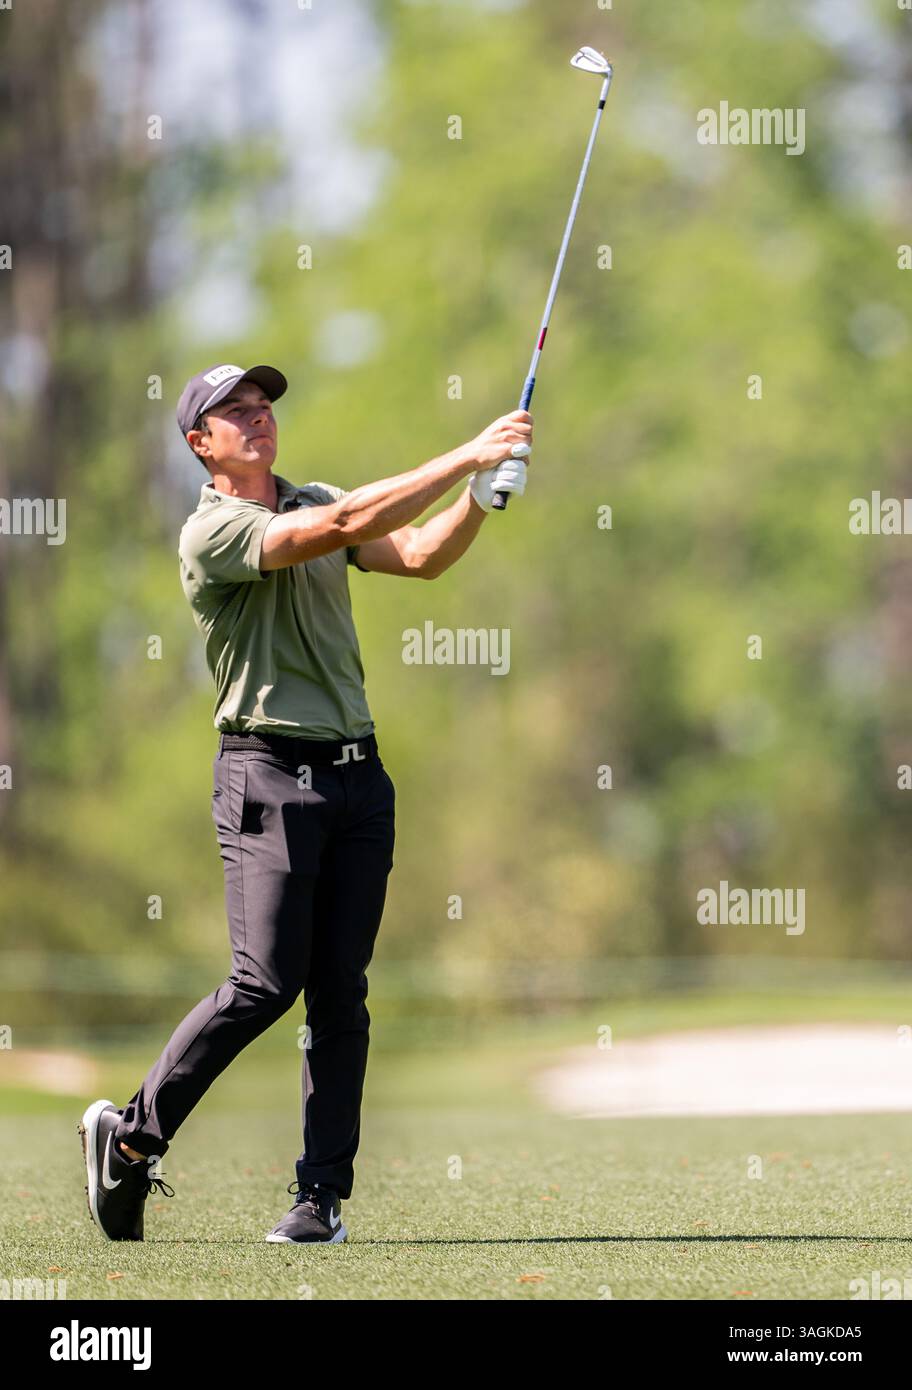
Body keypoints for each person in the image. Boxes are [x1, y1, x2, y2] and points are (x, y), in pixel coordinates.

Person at [78, 361, 532, 1244]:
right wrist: (468, 454)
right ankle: (130, 1142)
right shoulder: (210, 533)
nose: (258, 420)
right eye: (234, 413)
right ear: (198, 444)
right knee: (263, 983)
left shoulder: (313, 496)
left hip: (359, 779)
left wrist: (483, 499)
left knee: (340, 995)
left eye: (264, 407)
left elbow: (420, 556)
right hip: (267, 776)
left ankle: (319, 1198)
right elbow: (350, 523)